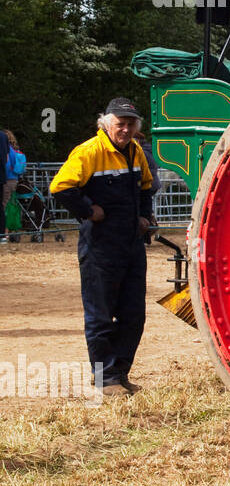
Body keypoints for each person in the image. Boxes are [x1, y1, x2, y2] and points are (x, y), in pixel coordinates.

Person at [50, 99, 155, 396]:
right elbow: (60, 187)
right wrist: (88, 210)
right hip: (100, 247)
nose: (125, 128)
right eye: (119, 123)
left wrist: (145, 217)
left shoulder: (136, 152)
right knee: (100, 315)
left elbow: (146, 187)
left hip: (131, 245)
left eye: (130, 123)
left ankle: (120, 373)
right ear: (105, 123)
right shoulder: (89, 152)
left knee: (133, 314)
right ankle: (104, 378)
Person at [2, 130, 23, 241]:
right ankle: (7, 232)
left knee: (3, 205)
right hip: (14, 180)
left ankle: (4, 233)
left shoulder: (6, 151)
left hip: (7, 180)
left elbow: (5, 166)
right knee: (8, 205)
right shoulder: (15, 150)